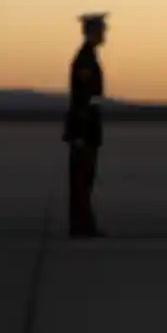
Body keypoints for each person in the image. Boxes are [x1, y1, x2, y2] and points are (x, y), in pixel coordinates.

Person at [62, 12, 108, 237]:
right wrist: (80, 132)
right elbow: (82, 98)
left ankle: (84, 224)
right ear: (92, 32)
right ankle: (81, 226)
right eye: (102, 29)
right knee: (81, 178)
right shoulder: (85, 59)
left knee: (85, 179)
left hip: (88, 126)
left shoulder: (89, 57)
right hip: (84, 127)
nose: (105, 34)